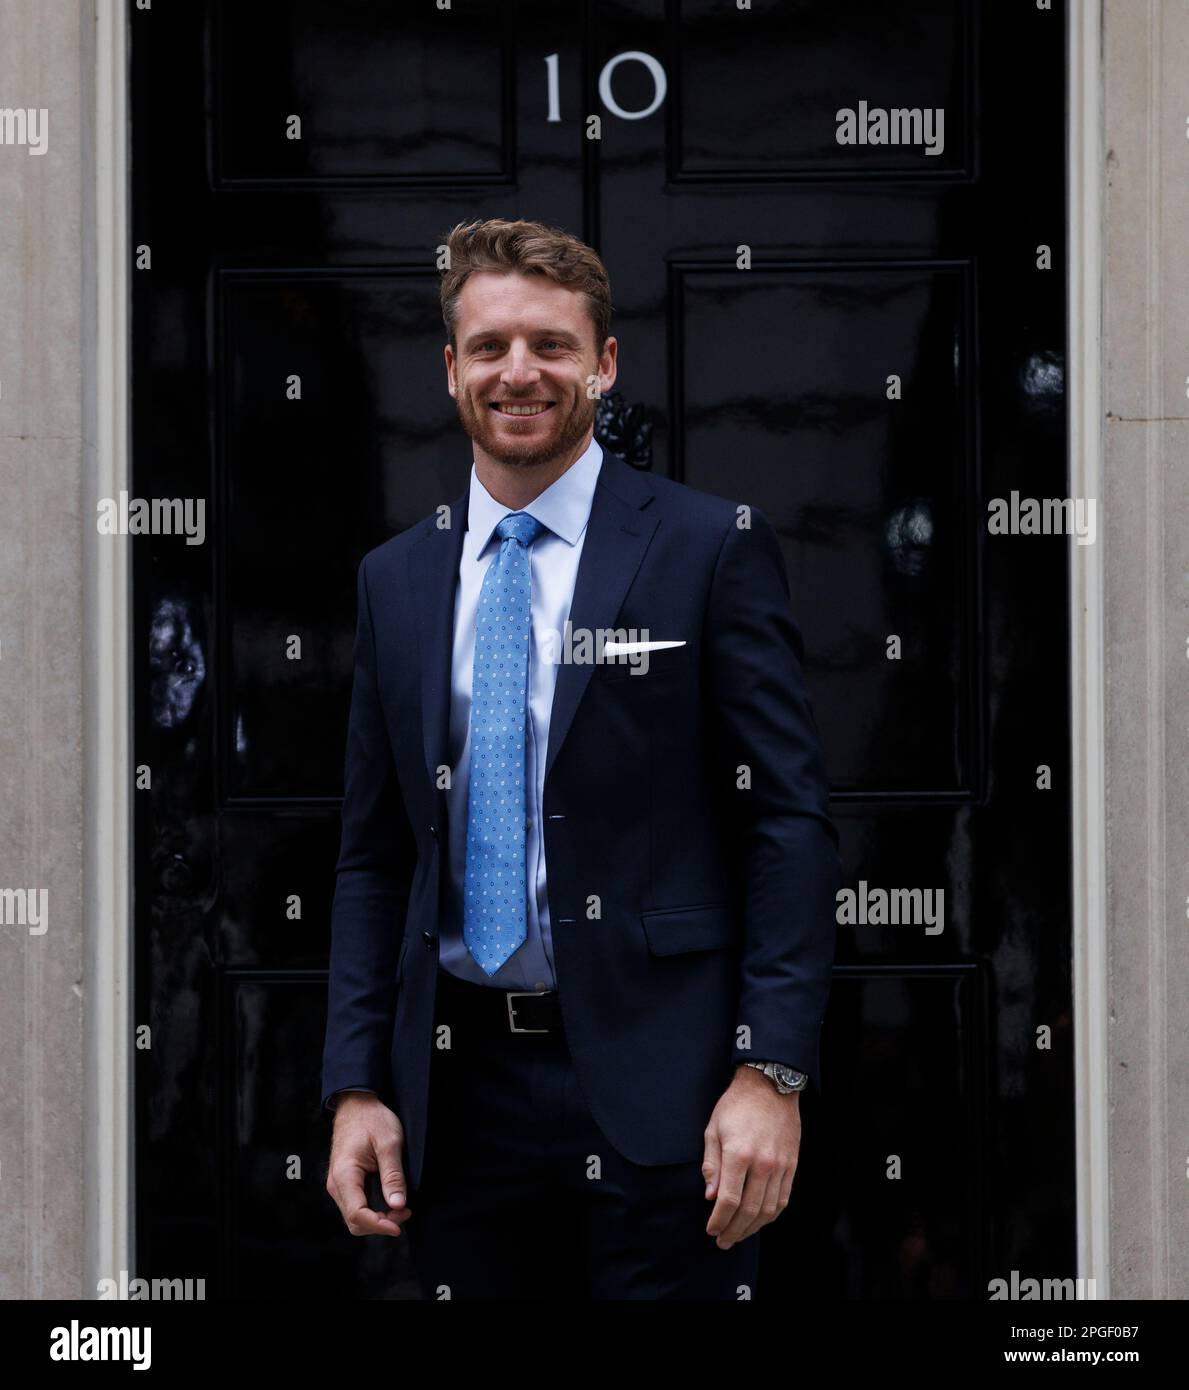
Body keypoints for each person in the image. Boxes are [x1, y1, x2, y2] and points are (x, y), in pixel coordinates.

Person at [321, 216, 841, 1300]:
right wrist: (355, 1086)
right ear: (450, 368)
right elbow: (374, 855)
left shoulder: (706, 546)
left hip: (675, 1101)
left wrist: (771, 1071)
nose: (522, 372)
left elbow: (786, 819)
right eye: (492, 345)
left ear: (603, 364)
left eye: (552, 345)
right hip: (456, 1109)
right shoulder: (395, 579)